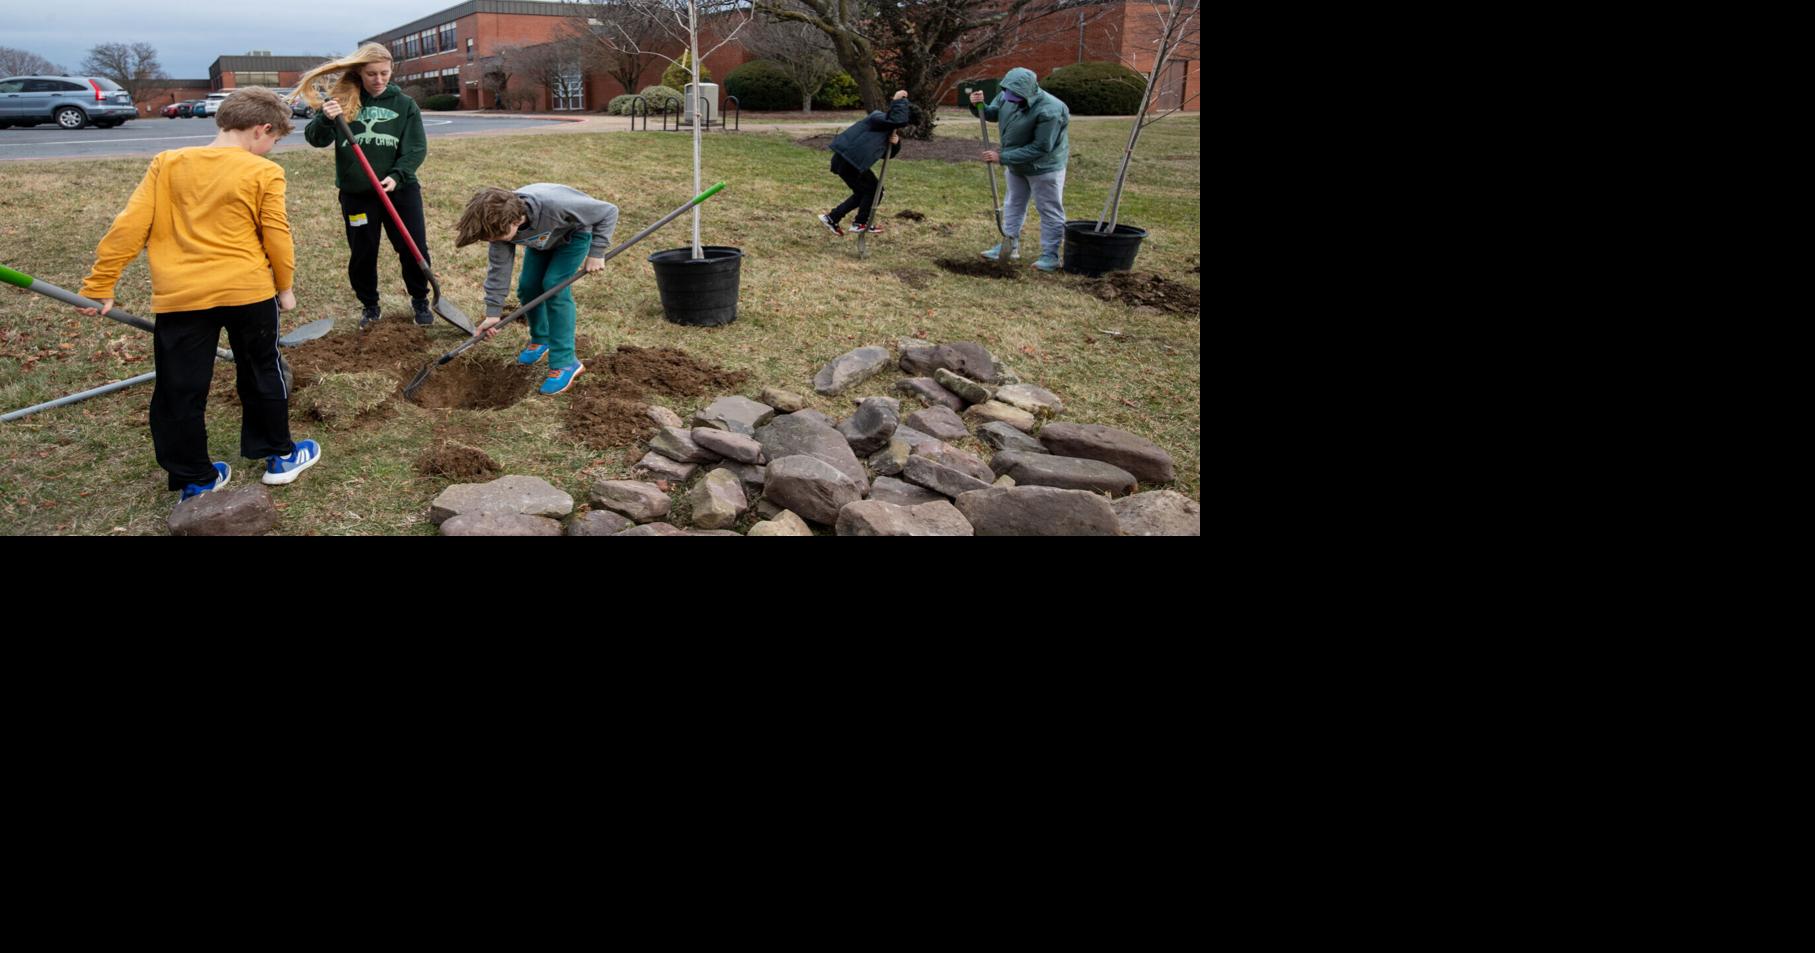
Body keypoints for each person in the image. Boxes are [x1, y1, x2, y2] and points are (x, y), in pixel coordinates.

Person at [77, 87, 320, 499]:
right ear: (262, 129)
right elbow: (277, 235)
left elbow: (130, 225)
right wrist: (285, 287)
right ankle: (279, 456)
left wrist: (101, 283)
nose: (270, 150)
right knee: (262, 370)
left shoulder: (168, 164)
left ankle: (195, 476)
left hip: (182, 297)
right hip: (249, 292)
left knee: (179, 386)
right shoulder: (262, 172)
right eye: (274, 141)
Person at [297, 44, 434, 328]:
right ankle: (370, 305)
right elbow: (315, 139)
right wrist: (325, 116)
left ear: (392, 70)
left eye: (384, 73)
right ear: (360, 72)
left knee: (412, 247)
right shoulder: (343, 101)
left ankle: (420, 300)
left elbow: (416, 148)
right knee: (363, 251)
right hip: (358, 195)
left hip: (400, 191)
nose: (379, 79)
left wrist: (397, 175)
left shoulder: (404, 105)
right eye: (372, 74)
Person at [457, 184, 620, 396]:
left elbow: (609, 211)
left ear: (516, 221)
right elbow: (499, 271)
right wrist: (493, 313)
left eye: (496, 237)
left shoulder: (555, 205)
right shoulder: (498, 226)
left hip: (574, 236)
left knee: (554, 287)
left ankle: (565, 362)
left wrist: (597, 252)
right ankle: (541, 340)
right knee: (528, 288)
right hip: (542, 242)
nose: (492, 242)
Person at [970, 67, 1071, 271]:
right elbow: (991, 114)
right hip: (1017, 165)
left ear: (1029, 91)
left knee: (1049, 209)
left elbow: (1041, 147)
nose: (1008, 97)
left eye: (1014, 94)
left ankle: (1050, 256)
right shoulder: (1007, 95)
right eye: (1007, 91)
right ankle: (1010, 245)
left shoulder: (1050, 109)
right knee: (1013, 204)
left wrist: (1003, 157)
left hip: (1044, 168)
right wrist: (978, 105)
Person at [817, 90, 914, 236]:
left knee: (864, 192)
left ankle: (832, 218)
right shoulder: (878, 117)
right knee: (875, 191)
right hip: (848, 161)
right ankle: (860, 223)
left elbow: (888, 154)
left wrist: (896, 143)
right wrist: (898, 99)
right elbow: (898, 119)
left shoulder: (887, 127)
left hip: (851, 162)